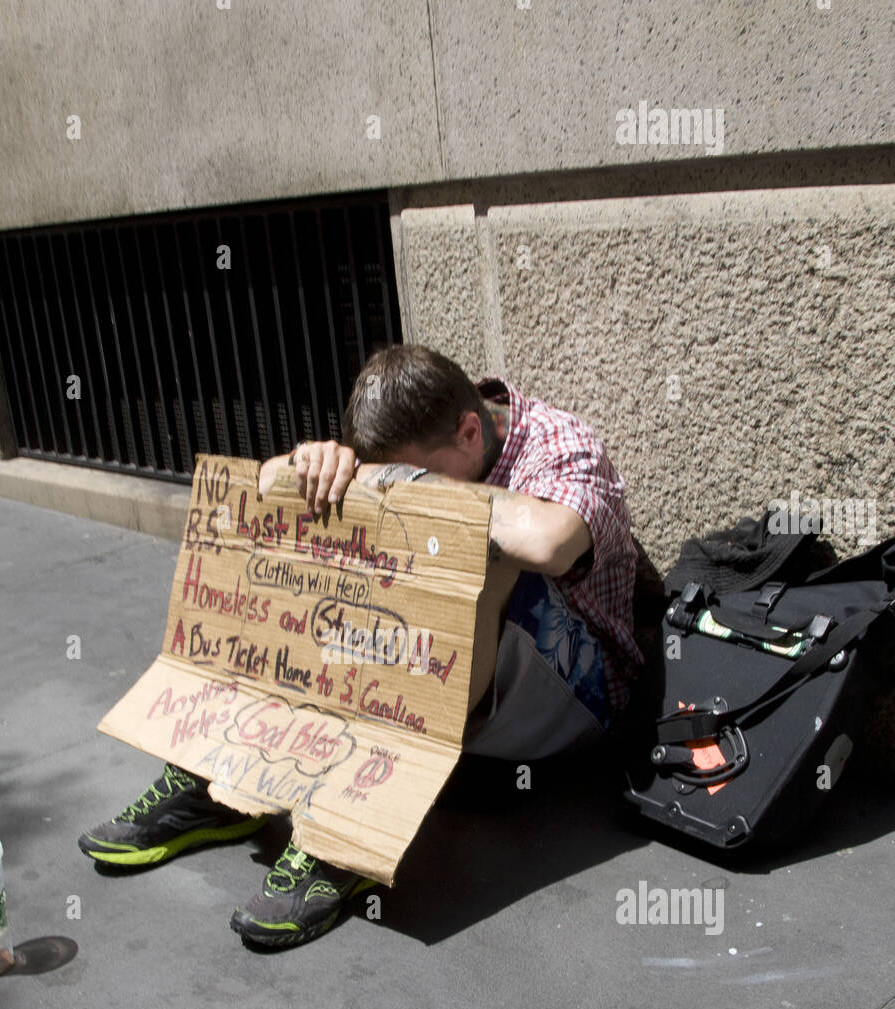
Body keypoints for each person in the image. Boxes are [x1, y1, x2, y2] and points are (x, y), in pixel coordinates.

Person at [78, 346, 643, 947]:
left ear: (471, 432)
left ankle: (347, 831)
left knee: (474, 554)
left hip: (582, 696)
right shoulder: (428, 431)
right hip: (476, 680)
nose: (395, 479)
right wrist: (310, 467)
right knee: (323, 534)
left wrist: (404, 488)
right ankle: (217, 771)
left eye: (410, 470)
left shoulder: (561, 445)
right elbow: (266, 490)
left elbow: (549, 542)